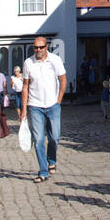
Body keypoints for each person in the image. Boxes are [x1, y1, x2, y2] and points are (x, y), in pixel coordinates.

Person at [20, 37, 67, 182]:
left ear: (47, 47)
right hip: (35, 106)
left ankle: (51, 160)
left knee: (55, 137)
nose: (38, 50)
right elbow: (25, 86)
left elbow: (63, 79)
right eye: (35, 48)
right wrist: (23, 109)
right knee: (39, 139)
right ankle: (43, 171)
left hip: (53, 105)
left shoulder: (55, 60)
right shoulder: (28, 63)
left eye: (41, 47)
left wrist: (59, 100)